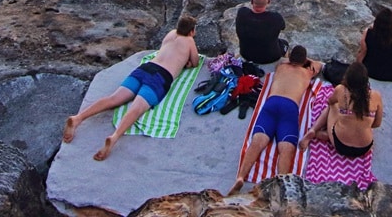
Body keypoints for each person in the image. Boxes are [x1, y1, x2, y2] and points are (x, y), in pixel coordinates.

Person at [63, 15, 199, 161]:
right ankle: (114, 137)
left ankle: (78, 118)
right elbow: (195, 61)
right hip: (160, 77)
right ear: (191, 31)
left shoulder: (171, 33)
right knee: (137, 108)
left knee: (114, 98)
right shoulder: (189, 41)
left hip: (146, 68)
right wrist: (188, 63)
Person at [228, 45, 322, 195]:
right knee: (286, 148)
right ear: (304, 60)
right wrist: (307, 61)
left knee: (257, 142)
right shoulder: (307, 73)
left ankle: (240, 177)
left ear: (290, 58)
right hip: (289, 107)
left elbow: (283, 60)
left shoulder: (281, 67)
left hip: (272, 103)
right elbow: (319, 65)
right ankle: (280, 185)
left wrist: (290, 59)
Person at [299, 61, 383, 159]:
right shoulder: (376, 96)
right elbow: (377, 124)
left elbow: (330, 102)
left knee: (333, 106)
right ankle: (325, 134)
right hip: (364, 148)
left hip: (340, 144)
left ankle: (314, 130)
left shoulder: (341, 90)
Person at [235, 0, 287, 64]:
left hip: (246, 55)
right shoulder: (275, 18)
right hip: (271, 58)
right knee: (285, 43)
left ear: (251, 1)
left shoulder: (242, 13)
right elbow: (283, 27)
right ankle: (286, 65)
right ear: (268, 2)